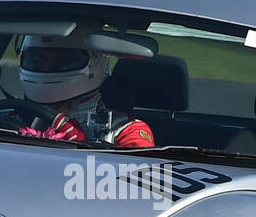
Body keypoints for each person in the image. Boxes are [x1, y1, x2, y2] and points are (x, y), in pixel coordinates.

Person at [16, 32, 155, 148]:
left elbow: (137, 176)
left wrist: (81, 147)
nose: (47, 69)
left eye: (64, 61)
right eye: (39, 59)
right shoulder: (16, 117)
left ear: (94, 61)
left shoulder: (128, 130)